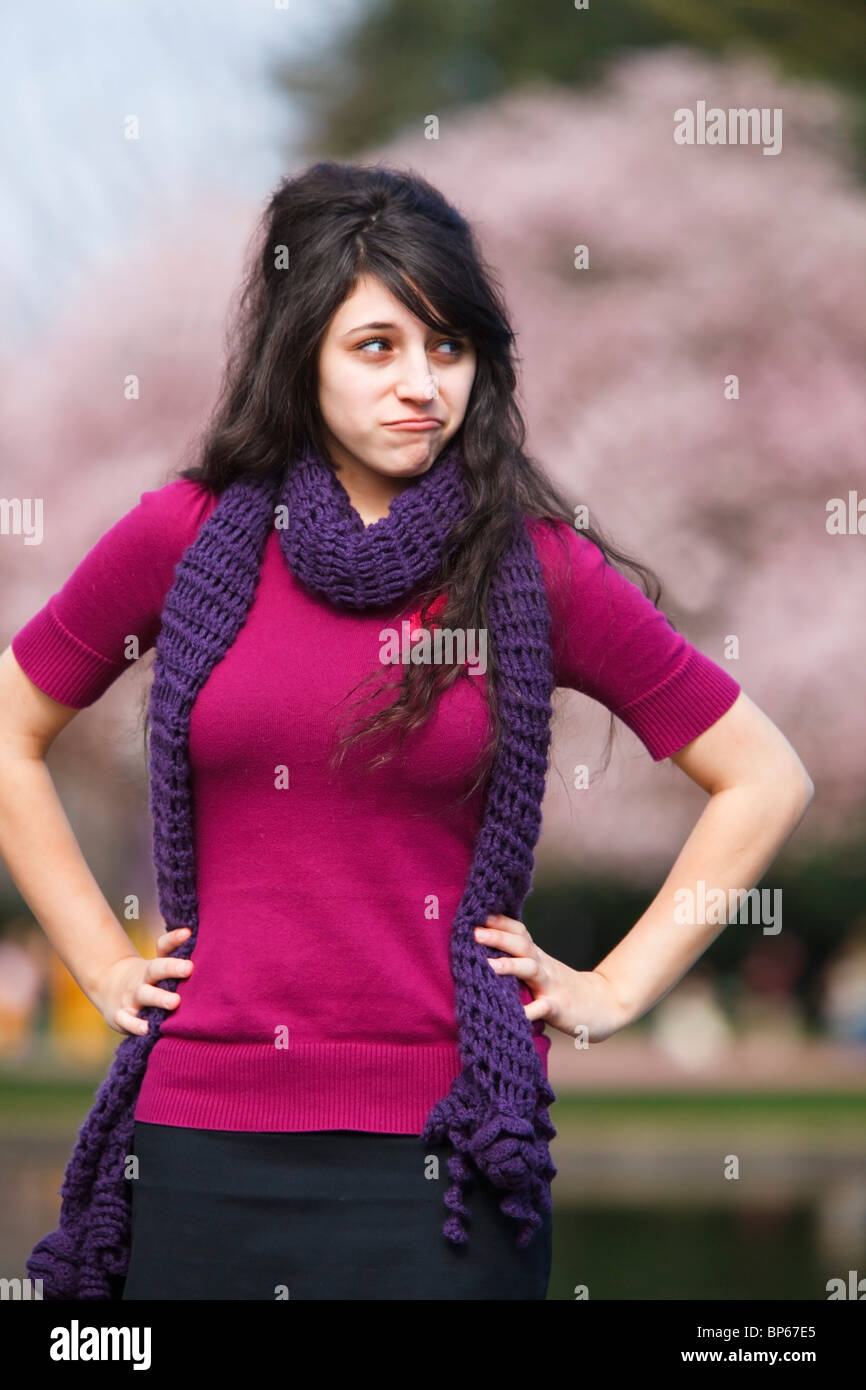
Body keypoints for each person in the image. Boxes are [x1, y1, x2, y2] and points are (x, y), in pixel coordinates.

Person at [0, 162, 814, 1301]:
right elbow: (10, 728)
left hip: (442, 1163)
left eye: (447, 347)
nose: (419, 384)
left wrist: (614, 986)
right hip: (196, 1148)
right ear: (302, 355)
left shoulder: (533, 568)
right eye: (376, 346)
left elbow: (761, 777)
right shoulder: (181, 539)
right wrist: (93, 954)